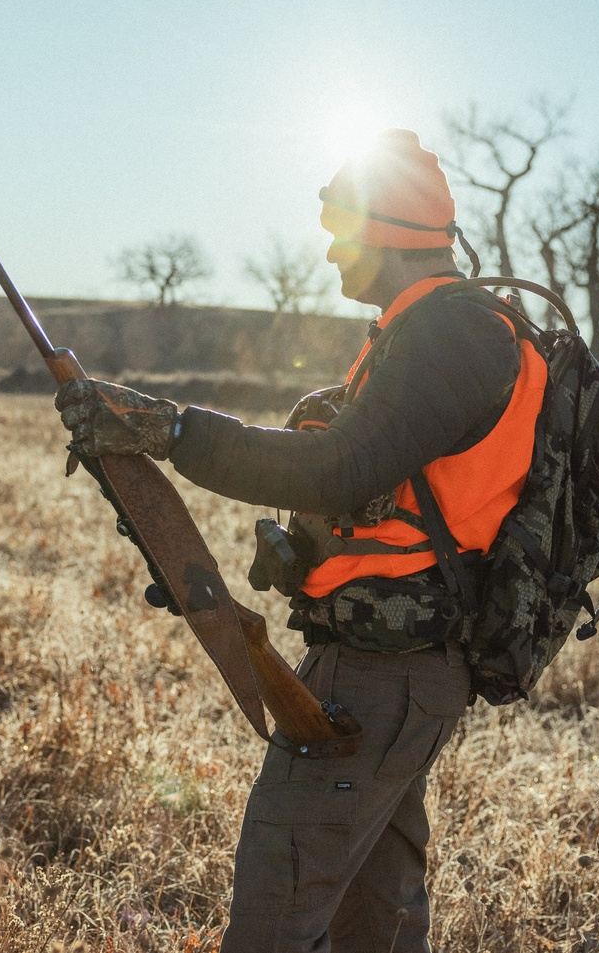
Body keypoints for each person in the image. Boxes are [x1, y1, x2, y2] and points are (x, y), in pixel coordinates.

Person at [56, 129, 547, 952]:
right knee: (376, 921)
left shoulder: (451, 334)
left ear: (387, 231)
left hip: (384, 674)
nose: (331, 253)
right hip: (388, 667)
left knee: (275, 917)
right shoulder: (428, 328)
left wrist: (171, 429)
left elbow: (339, 468)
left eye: (342, 233)